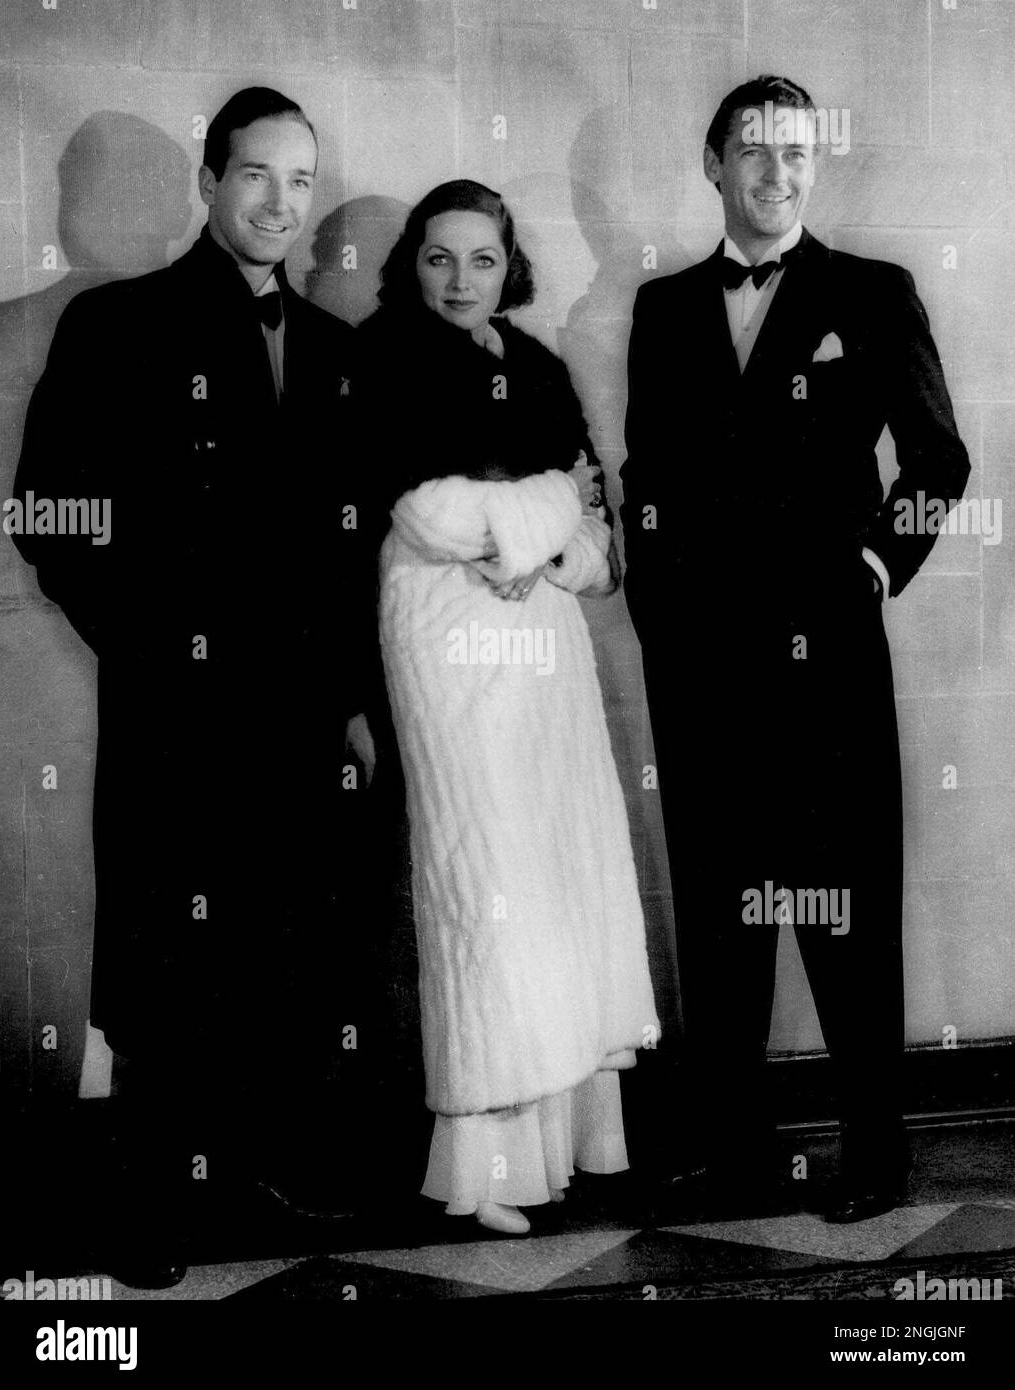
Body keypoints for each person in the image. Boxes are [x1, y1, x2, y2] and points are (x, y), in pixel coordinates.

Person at [10, 87, 375, 1285]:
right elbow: (49, 510)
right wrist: (148, 641)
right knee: (168, 957)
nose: (280, 203)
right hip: (177, 715)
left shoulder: (336, 352)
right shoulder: (120, 326)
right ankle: (152, 1202)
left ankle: (260, 1170)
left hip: (296, 716)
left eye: (302, 182)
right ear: (208, 184)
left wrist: (354, 701)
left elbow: (350, 546)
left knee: (282, 943)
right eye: (257, 176)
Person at [621, 75, 971, 1223]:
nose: (779, 172)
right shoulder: (664, 309)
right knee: (723, 910)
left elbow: (938, 468)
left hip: (828, 660)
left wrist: (874, 569)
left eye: (798, 151)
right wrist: (663, 617)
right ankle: (735, 1150)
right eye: (755, 151)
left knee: (844, 905)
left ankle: (873, 1147)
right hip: (703, 667)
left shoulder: (871, 291)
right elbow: (647, 486)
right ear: (712, 163)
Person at [359, 180, 661, 1236]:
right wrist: (536, 523)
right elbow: (426, 511)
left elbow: (597, 540)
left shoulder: (535, 365)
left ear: (508, 265)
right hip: (443, 635)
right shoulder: (381, 356)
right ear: (414, 264)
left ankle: (574, 1149)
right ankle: (483, 1170)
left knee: (555, 872)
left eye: (481, 259)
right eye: (439, 258)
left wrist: (537, 536)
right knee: (479, 879)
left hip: (542, 643)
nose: (460, 280)